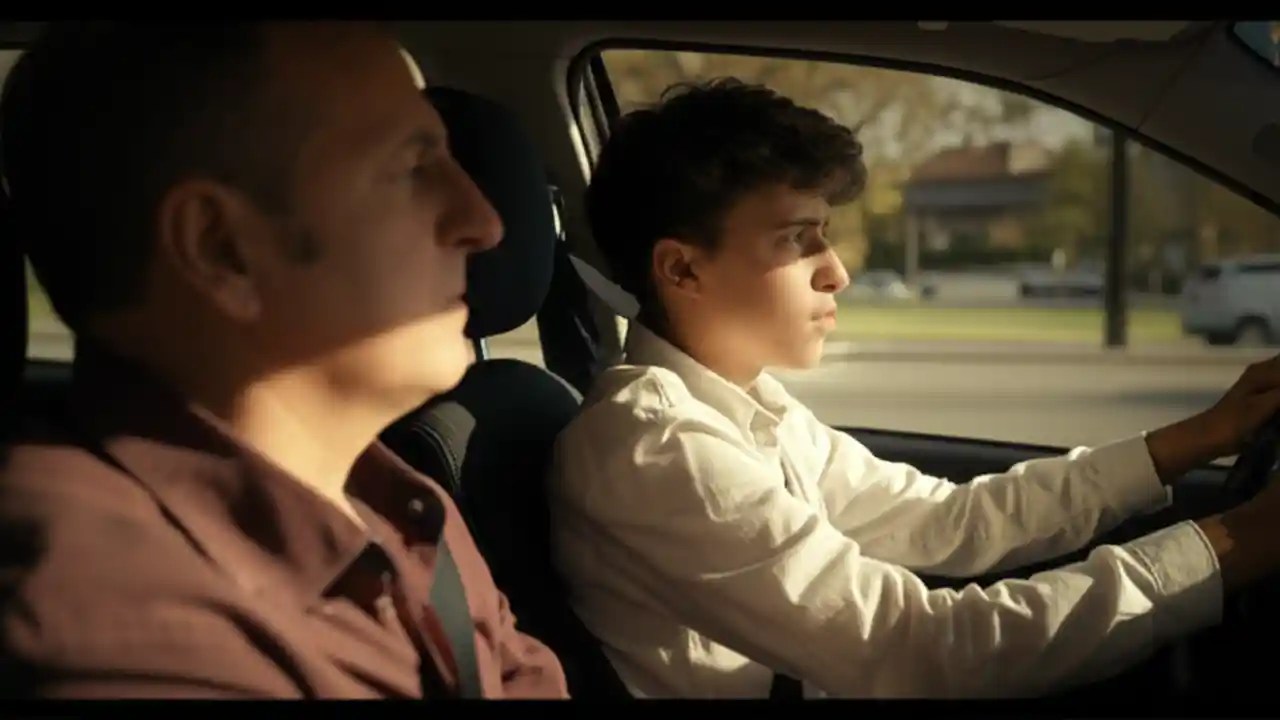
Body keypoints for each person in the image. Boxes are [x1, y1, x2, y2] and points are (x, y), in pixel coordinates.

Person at [548, 78, 1280, 699]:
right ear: (681, 271)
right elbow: (914, 648)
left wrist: (1196, 441)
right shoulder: (655, 446)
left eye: (824, 233)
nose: (836, 271)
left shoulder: (749, 408)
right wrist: (1232, 544)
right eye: (796, 239)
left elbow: (949, 519)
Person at [0, 22, 567, 699]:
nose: (485, 221)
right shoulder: (112, 625)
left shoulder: (393, 500)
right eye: (412, 168)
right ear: (221, 249)